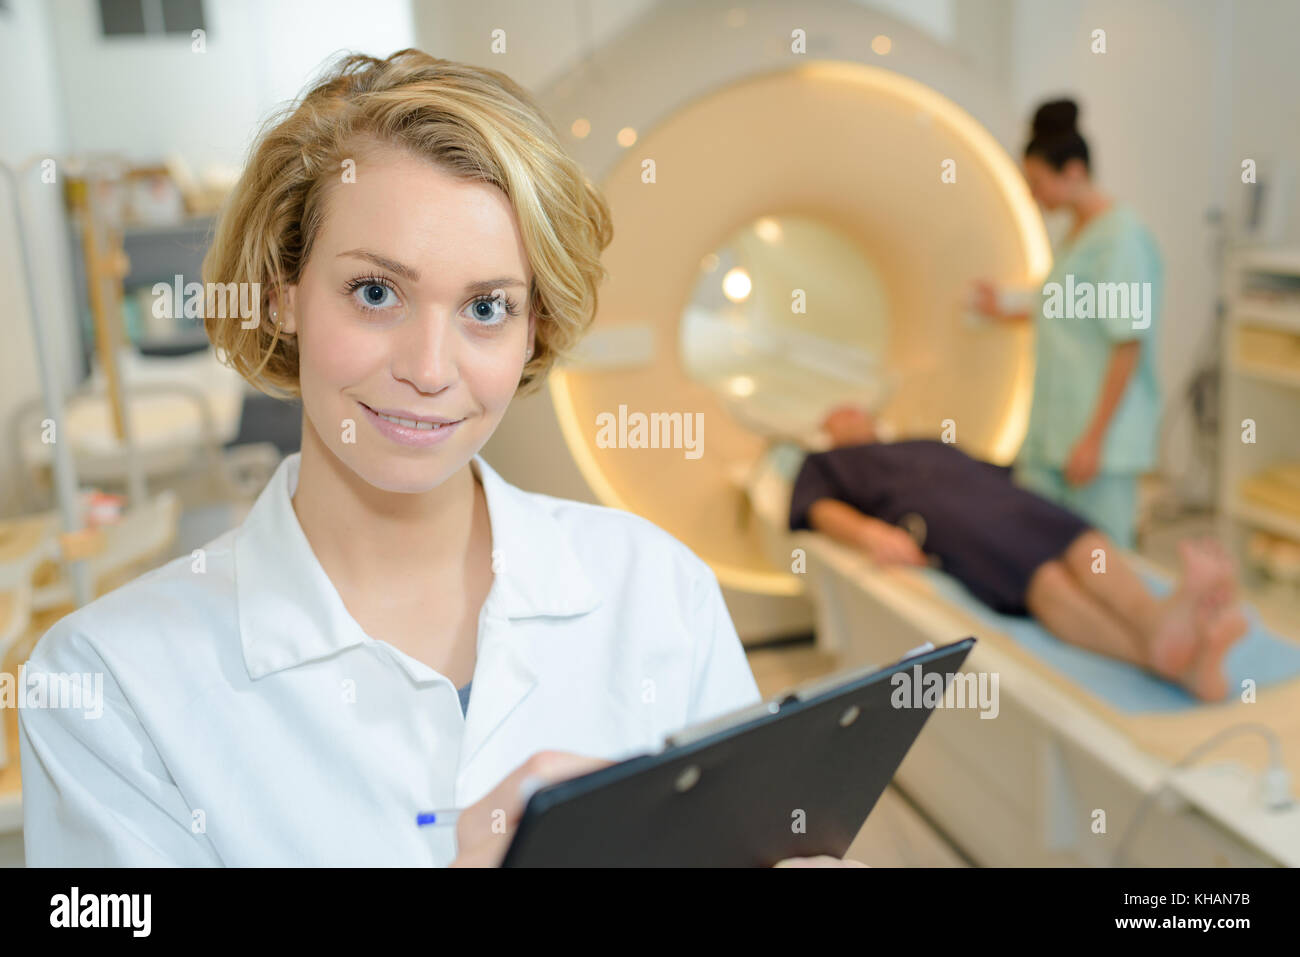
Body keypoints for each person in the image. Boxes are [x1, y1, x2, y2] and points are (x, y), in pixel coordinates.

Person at [18, 50, 859, 868]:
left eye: (487, 306)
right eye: (376, 292)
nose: (428, 368)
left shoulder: (659, 593)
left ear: (537, 327)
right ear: (282, 293)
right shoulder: (107, 684)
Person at [790, 405, 1248, 702]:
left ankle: (1161, 627)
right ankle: (1167, 646)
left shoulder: (926, 439)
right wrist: (870, 533)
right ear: (823, 431)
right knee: (1045, 577)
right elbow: (819, 508)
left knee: (1083, 542)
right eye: (836, 414)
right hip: (945, 516)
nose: (849, 414)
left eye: (856, 409)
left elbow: (997, 468)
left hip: (1004, 497)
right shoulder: (826, 463)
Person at [972, 98, 1163, 549]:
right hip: (1053, 431)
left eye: (1036, 181)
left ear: (1073, 172)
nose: (1031, 194)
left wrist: (1093, 439)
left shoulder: (1121, 239)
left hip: (1096, 439)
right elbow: (1065, 308)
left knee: (1102, 558)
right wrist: (1001, 309)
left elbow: (1127, 344)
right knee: (1039, 552)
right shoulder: (1076, 234)